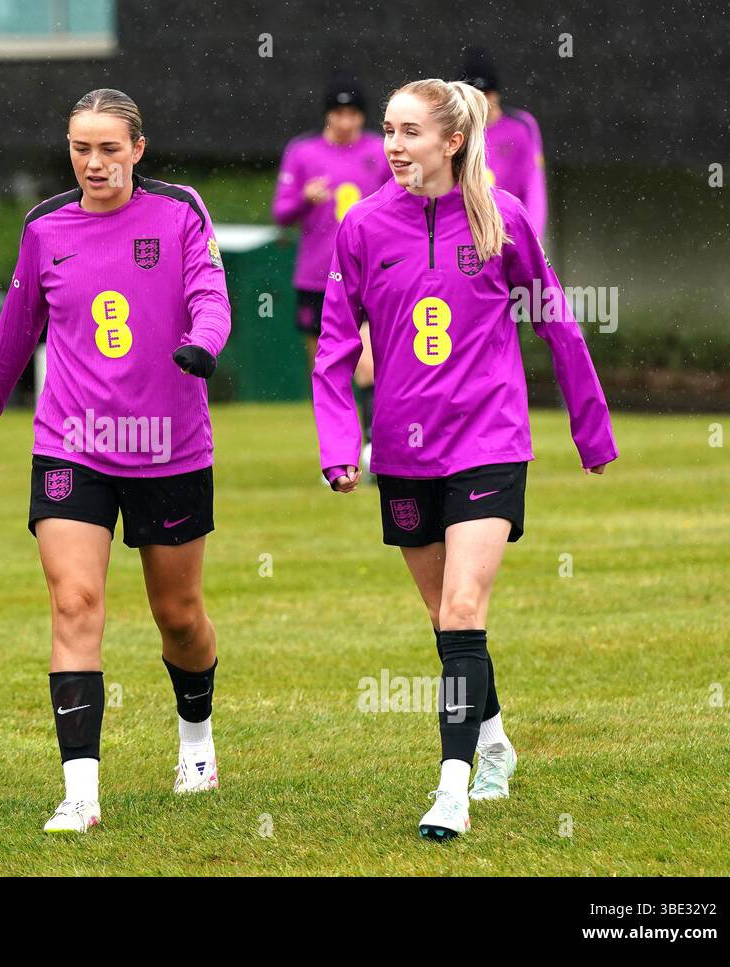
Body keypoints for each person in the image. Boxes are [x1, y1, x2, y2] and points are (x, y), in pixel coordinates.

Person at [313, 78, 617, 839]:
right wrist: (338, 444)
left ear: (451, 141)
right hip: (404, 450)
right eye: (387, 129)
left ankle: (451, 789)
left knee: (461, 609)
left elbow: (558, 324)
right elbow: (334, 346)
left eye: (409, 131)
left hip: (488, 442)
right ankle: (493, 744)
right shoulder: (361, 228)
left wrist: (591, 429)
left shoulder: (500, 216)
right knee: (447, 624)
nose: (392, 144)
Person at [0, 88, 231, 833]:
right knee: (75, 603)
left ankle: (197, 741)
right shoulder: (45, 227)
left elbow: (212, 294)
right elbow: (16, 334)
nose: (94, 162)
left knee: (179, 618)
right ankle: (80, 792)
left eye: (110, 148)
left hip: (170, 446)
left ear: (137, 149)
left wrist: (202, 343)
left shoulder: (179, 212)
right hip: (72, 445)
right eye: (82, 147)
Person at [273, 68, 391, 472]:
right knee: (327, 368)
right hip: (316, 277)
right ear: (327, 115)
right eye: (339, 114)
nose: (346, 122)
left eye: (354, 114)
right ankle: (339, 454)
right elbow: (281, 212)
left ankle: (375, 445)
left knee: (369, 364)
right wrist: (305, 198)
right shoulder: (303, 152)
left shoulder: (381, 149)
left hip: (370, 275)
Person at [458, 47, 549, 238]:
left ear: (496, 94)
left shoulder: (521, 127)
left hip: (511, 231)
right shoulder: (458, 132)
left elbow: (534, 186)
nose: (484, 102)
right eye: (476, 96)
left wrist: (532, 236)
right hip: (468, 234)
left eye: (488, 94)